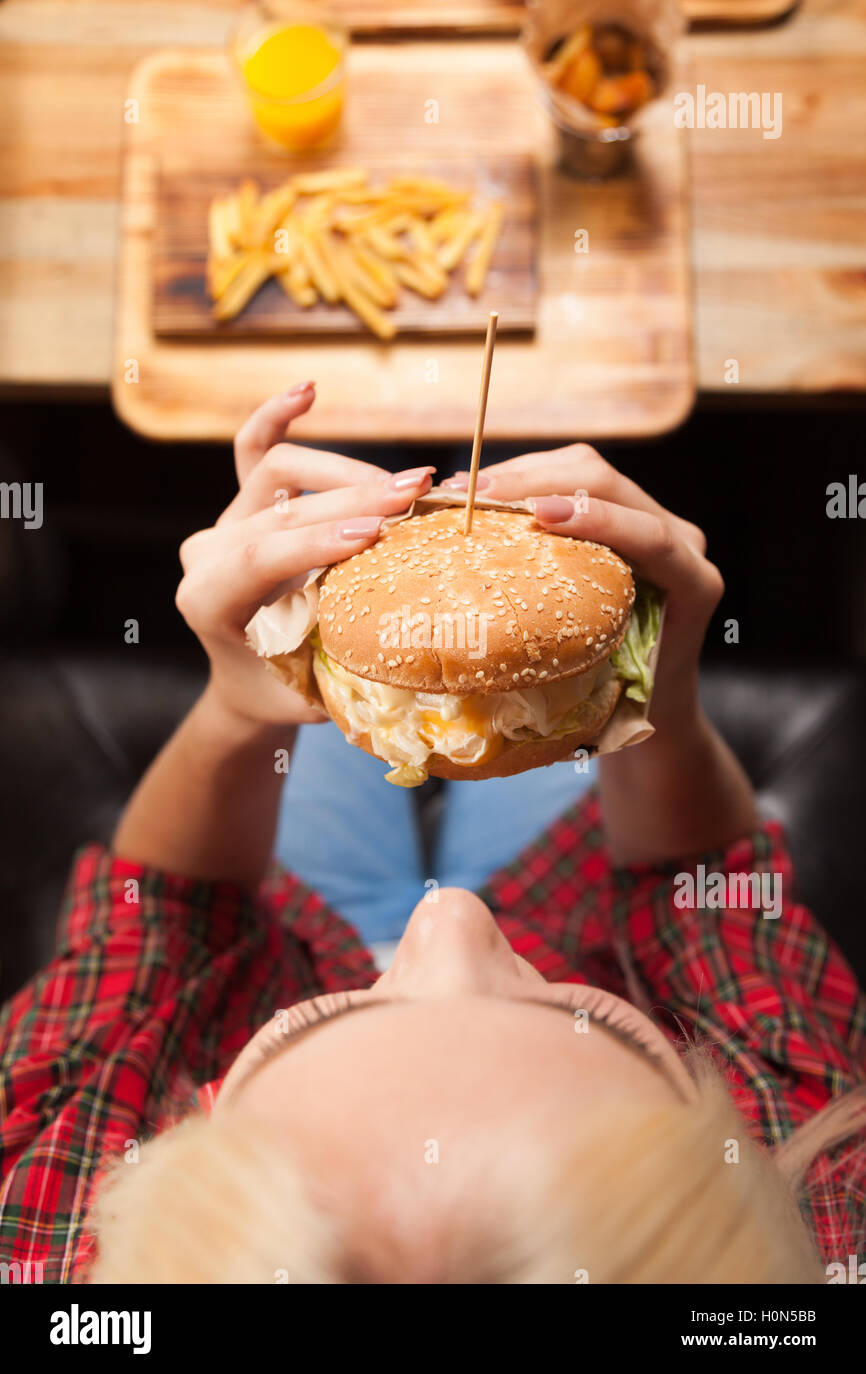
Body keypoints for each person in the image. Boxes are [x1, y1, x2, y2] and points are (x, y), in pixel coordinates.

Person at [0, 384, 863, 1284]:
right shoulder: (813, 1208)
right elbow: (702, 906)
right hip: (590, 889)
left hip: (283, 918)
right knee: (540, 444)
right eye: (576, 1013)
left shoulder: (45, 1220)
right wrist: (653, 693)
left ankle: (403, 416)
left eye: (331, 1017)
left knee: (362, 525)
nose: (450, 915)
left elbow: (166, 924)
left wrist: (235, 708)